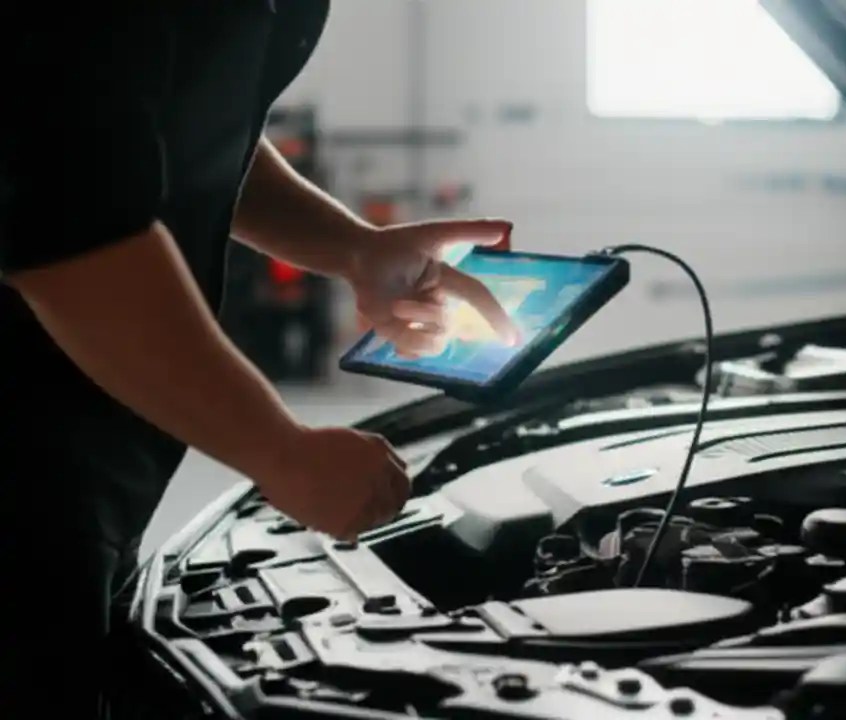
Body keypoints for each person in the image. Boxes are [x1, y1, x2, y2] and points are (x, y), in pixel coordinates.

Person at [0, 3, 517, 716]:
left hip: (98, 454)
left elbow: (180, 130)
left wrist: (354, 248)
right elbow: (64, 230)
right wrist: (280, 451)